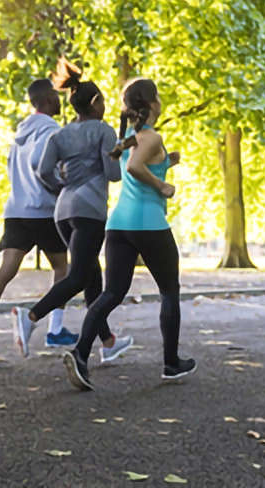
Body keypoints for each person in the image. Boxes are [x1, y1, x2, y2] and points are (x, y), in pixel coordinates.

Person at [63, 77, 196, 391]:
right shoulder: (149, 136)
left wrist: (168, 163)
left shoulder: (128, 137)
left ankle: (80, 354)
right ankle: (172, 363)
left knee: (112, 293)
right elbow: (136, 168)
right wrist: (163, 185)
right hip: (149, 224)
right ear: (150, 105)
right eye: (158, 98)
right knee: (169, 291)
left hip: (118, 225)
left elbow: (135, 162)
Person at [11, 58, 132, 364]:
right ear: (95, 103)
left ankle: (108, 343)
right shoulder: (103, 131)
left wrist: (59, 184)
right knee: (79, 275)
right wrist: (116, 153)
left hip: (63, 212)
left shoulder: (60, 134)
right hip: (90, 210)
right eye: (103, 101)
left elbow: (43, 169)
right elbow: (113, 175)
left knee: (92, 279)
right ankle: (31, 317)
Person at [0, 79, 76, 361]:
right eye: (56, 95)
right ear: (49, 99)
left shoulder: (20, 135)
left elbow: (13, 169)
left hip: (16, 209)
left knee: (5, 271)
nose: (59, 100)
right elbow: (43, 166)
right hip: (43, 210)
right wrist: (57, 186)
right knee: (63, 269)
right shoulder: (52, 131)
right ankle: (55, 328)